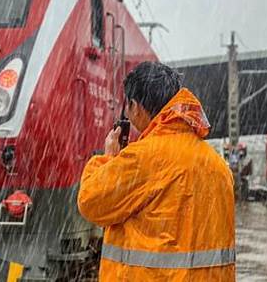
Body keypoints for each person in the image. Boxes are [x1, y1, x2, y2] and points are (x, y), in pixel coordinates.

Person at [78, 62, 235, 281]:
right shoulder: (218, 165)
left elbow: (90, 202)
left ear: (136, 106)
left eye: (127, 106)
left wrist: (107, 159)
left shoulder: (142, 158)